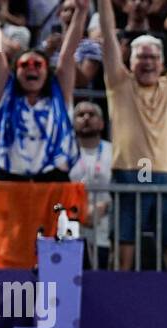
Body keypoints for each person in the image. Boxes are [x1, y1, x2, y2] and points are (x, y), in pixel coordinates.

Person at [100, 0, 167, 270]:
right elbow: (108, 34)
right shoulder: (117, 83)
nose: (147, 62)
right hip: (127, 174)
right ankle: (117, 305)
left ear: (162, 62)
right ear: (130, 60)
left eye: (152, 57)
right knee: (122, 255)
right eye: (141, 57)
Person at [0, 0, 84, 180]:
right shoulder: (6, 94)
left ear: (46, 70)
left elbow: (68, 54)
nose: (31, 69)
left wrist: (81, 11)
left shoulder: (59, 93)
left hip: (53, 181)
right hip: (10, 180)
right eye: (24, 65)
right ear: (16, 71)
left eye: (38, 64)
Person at [68, 98, 113, 268]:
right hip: (71, 232)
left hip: (105, 231)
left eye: (91, 114)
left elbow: (128, 186)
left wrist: (105, 206)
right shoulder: (64, 153)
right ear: (73, 123)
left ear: (101, 123)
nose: (86, 118)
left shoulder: (114, 152)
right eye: (80, 115)